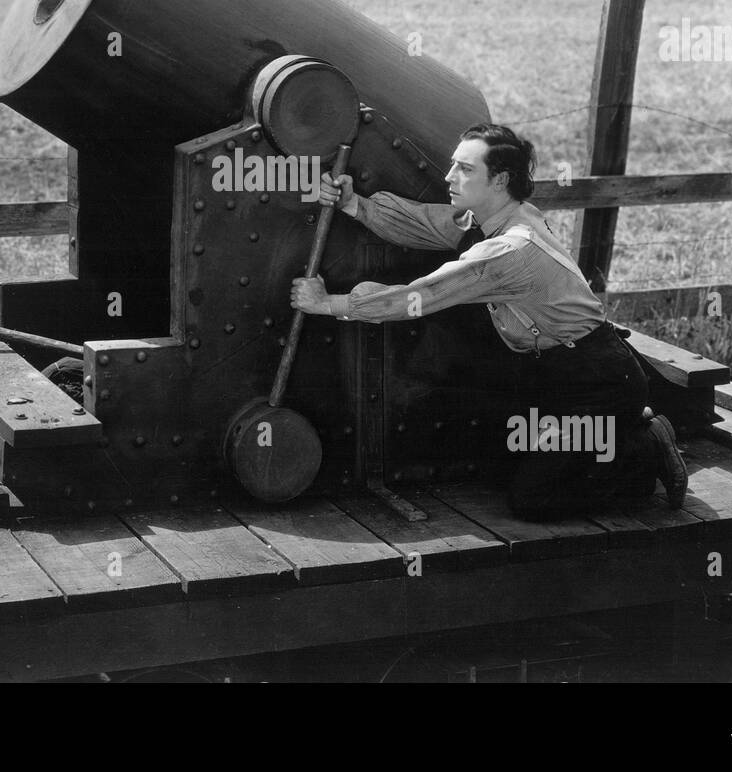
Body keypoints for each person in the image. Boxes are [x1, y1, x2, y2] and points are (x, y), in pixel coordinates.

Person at [289, 123, 688, 519]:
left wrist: (329, 303)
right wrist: (354, 204)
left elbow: (421, 297)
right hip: (553, 375)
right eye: (452, 165)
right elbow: (426, 222)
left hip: (597, 384)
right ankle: (608, 437)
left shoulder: (509, 248)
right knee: (498, 465)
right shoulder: (495, 217)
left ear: (499, 180)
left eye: (465, 169)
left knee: (534, 498)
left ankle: (644, 449)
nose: (449, 176)